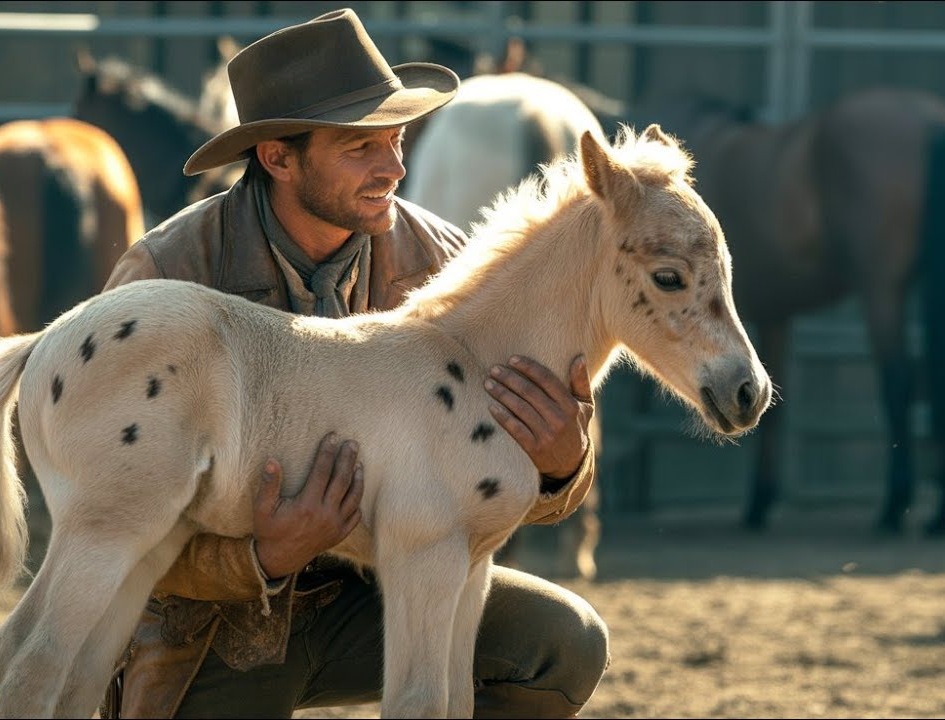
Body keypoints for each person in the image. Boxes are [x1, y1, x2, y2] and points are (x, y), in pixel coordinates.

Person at [99, 9, 608, 718]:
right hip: (216, 627)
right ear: (278, 157)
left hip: (392, 588)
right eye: (360, 147)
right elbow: (105, 523)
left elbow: (532, 483)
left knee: (563, 642)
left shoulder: (446, 262)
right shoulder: (165, 276)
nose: (395, 167)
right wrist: (258, 558)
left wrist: (560, 464)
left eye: (398, 139)